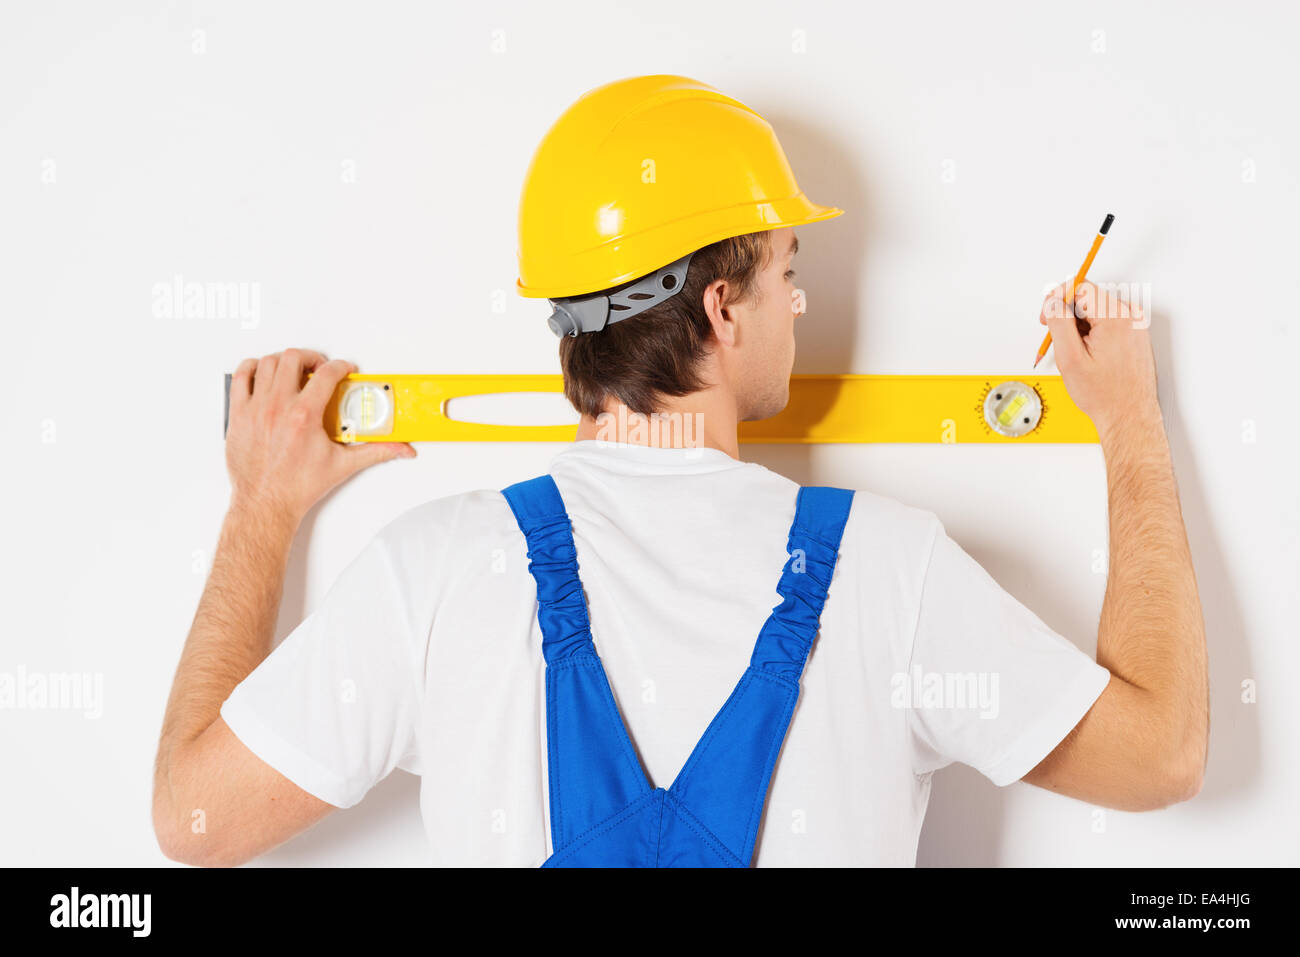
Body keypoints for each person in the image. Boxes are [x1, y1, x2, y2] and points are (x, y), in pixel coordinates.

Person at [152, 75, 1208, 867]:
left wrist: (262, 505)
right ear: (719, 307)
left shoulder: (430, 572)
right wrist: (1129, 426)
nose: (797, 307)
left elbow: (190, 817)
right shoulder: (891, 573)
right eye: (786, 273)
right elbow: (1160, 756)